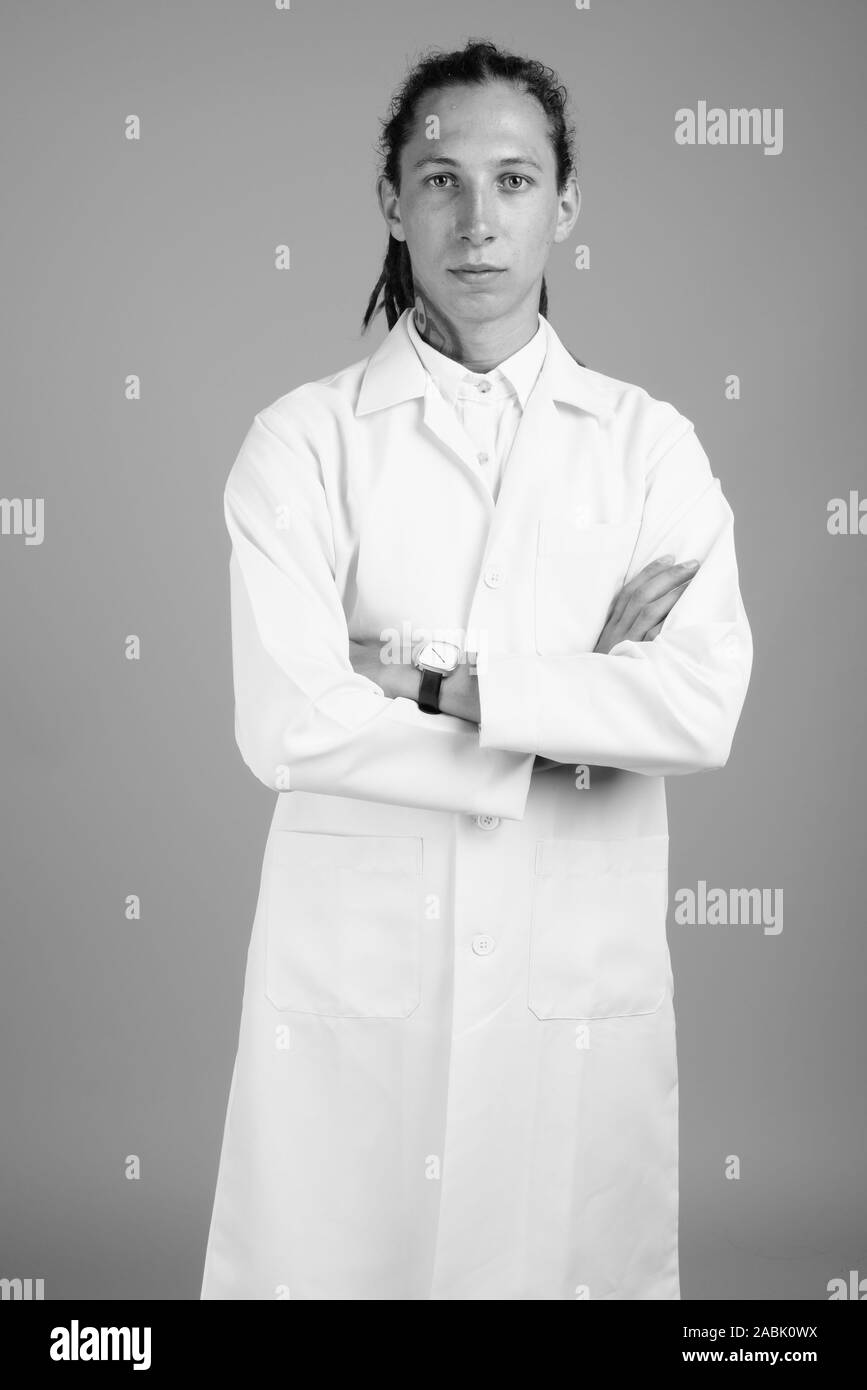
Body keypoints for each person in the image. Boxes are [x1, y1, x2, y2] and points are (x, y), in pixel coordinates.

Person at [200, 37, 752, 1301]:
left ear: (565, 205)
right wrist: (575, 703)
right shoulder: (303, 445)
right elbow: (291, 721)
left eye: (515, 180)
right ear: (392, 200)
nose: (478, 220)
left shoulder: (647, 448)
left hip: (574, 969)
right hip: (359, 983)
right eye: (440, 178)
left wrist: (435, 680)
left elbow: (698, 702)